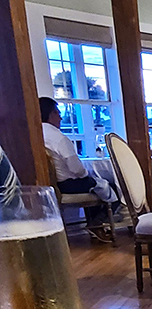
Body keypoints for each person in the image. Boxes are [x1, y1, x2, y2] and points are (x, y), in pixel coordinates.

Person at [39, 97, 116, 241]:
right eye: (58, 113)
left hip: (50, 184)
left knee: (95, 184)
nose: (61, 118)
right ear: (51, 114)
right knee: (114, 188)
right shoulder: (59, 138)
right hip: (68, 184)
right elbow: (77, 169)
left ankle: (95, 226)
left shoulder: (37, 135)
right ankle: (96, 223)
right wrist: (87, 174)